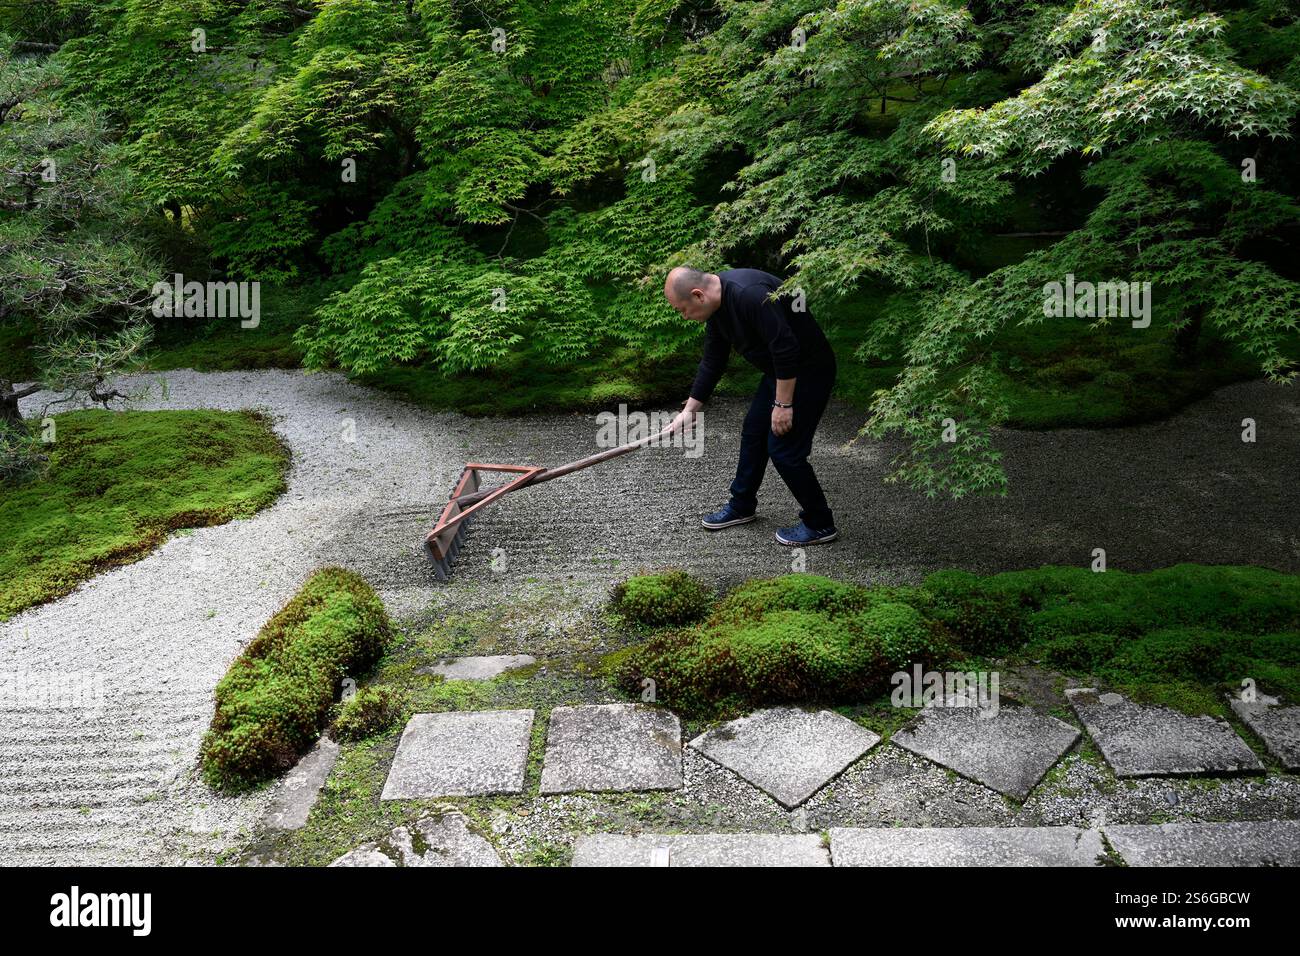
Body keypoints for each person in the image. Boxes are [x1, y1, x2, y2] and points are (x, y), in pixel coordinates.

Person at [664, 266, 839, 545]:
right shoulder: (717, 305)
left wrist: (783, 404)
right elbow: (713, 359)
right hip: (778, 373)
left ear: (698, 295)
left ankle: (820, 523)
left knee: (784, 449)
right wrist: (689, 411)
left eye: (681, 309)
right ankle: (742, 505)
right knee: (754, 431)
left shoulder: (749, 294)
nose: (684, 316)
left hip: (808, 372)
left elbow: (785, 348)